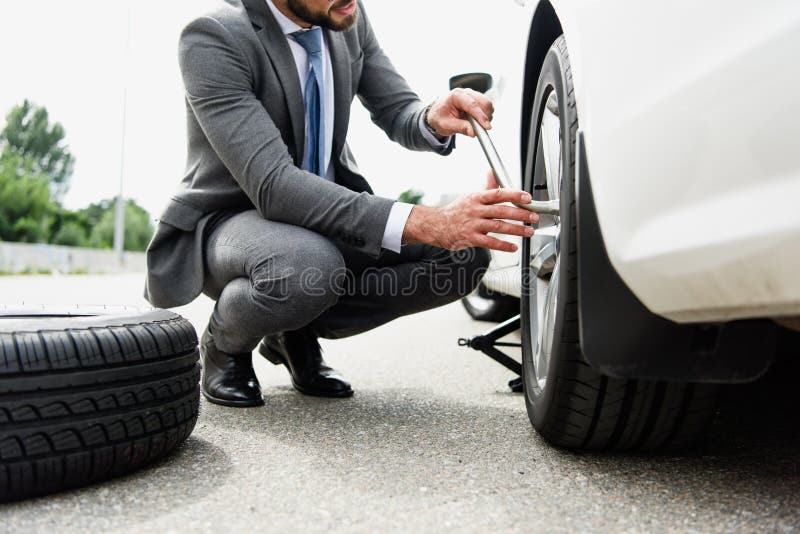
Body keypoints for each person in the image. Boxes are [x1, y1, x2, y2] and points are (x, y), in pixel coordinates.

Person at [144, 0, 539, 407]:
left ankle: (293, 330)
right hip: (235, 221)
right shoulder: (214, 36)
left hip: (324, 219)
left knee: (462, 256)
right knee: (307, 268)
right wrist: (425, 220)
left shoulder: (345, 12)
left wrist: (431, 117)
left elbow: (397, 109)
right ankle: (227, 342)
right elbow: (274, 186)